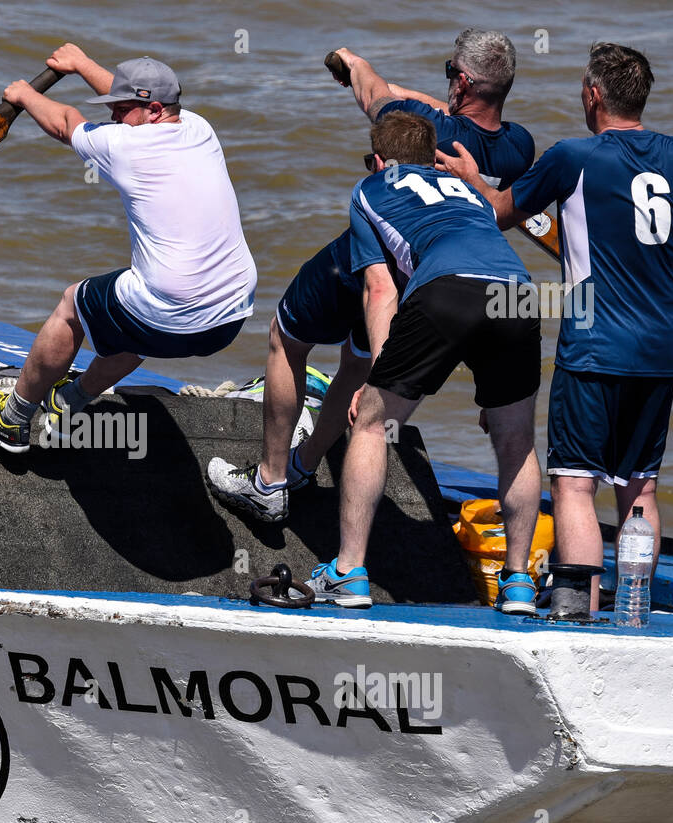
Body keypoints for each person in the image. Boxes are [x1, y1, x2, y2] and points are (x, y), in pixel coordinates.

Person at [437, 42, 673, 608]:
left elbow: (499, 213)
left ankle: (580, 609)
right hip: (656, 354)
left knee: (573, 484)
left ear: (594, 94)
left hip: (592, 352)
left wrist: (472, 176)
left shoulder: (573, 157)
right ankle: (633, 610)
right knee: (639, 486)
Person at [208, 29, 534, 522]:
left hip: (370, 256)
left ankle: (269, 482)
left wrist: (351, 60)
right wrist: (421, 93)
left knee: (286, 339)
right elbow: (455, 126)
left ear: (463, 82)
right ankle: (305, 463)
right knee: (356, 363)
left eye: (451, 74)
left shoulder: (424, 123)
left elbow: (374, 94)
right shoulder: (518, 148)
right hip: (432, 277)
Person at [0, 44, 257, 452]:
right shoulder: (200, 128)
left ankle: (11, 419)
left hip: (170, 315)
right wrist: (81, 65)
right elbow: (137, 103)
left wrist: (24, 95)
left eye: (121, 108)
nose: (114, 116)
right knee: (133, 310)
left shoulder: (123, 145)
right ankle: (68, 402)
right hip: (228, 319)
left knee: (73, 304)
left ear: (152, 112)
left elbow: (66, 123)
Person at [307, 111, 542, 612]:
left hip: (446, 290)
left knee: (372, 426)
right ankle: (519, 583)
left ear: (378, 158)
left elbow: (378, 288)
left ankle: (348, 572)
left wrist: (373, 379)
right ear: (431, 156)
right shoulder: (468, 189)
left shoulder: (370, 189)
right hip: (519, 293)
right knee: (517, 438)